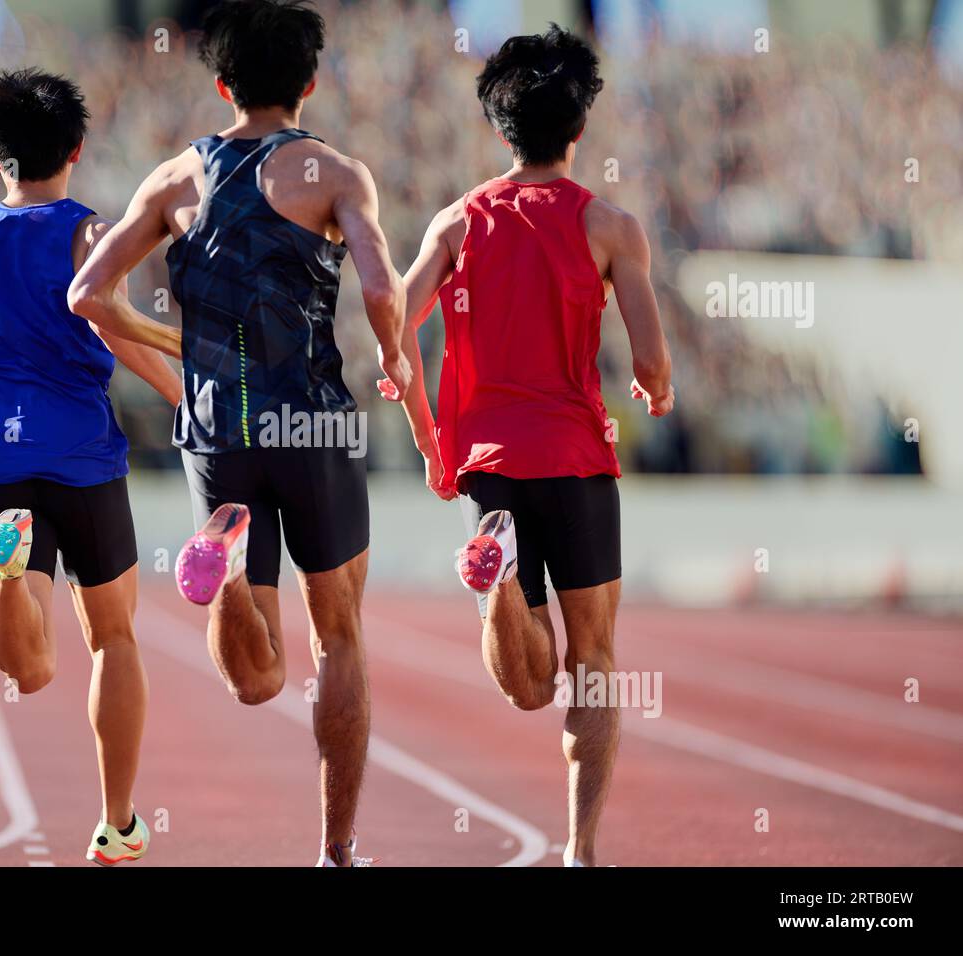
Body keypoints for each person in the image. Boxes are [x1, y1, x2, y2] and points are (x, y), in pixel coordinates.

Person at [68, 0, 410, 866]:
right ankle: (336, 851)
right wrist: (399, 359)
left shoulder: (175, 179)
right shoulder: (336, 174)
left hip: (220, 428)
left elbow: (88, 299)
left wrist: (175, 358)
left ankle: (220, 564)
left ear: (221, 84)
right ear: (310, 82)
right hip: (312, 421)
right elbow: (378, 283)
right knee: (338, 637)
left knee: (255, 681)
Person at [380, 25, 673, 867]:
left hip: (490, 468)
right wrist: (655, 388)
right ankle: (581, 853)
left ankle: (501, 575)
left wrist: (429, 440)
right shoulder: (612, 226)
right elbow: (650, 358)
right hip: (578, 459)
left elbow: (394, 334)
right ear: (579, 128)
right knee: (593, 665)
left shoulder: (458, 221)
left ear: (499, 127)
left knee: (525, 688)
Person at [0, 67, 181, 865]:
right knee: (114, 641)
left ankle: (6, 572)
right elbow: (118, 330)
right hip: (83, 459)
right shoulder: (89, 234)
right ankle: (119, 822)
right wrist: (180, 392)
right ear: (77, 147)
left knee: (27, 668)